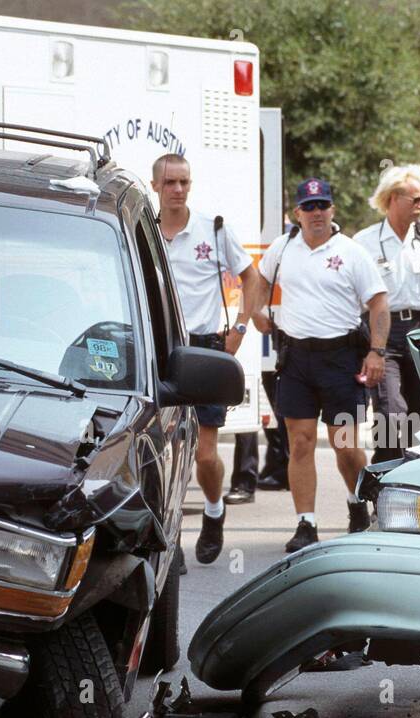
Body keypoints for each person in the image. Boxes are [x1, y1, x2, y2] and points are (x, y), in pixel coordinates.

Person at [253, 178, 389, 552]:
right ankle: (306, 524)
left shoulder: (351, 252)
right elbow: (259, 281)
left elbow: (378, 303)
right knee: (299, 442)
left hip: (340, 357)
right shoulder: (282, 249)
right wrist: (254, 312)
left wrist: (376, 351)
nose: (316, 213)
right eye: (309, 207)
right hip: (296, 357)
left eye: (322, 205)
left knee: (344, 443)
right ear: (296, 214)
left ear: (332, 210)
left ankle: (357, 502)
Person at [154, 152, 261, 565]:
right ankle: (172, 536)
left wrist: (239, 327)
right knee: (163, 451)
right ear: (156, 188)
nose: (178, 190)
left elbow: (250, 278)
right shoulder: (145, 230)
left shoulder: (213, 231)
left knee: (204, 455)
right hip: (162, 349)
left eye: (184, 182)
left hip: (205, 349)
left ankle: (214, 511)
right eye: (170, 183)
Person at [352, 165, 420, 462]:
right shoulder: (364, 242)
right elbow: (349, 295)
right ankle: (383, 481)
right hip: (382, 335)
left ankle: (417, 489)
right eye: (415, 200)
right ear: (392, 199)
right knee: (391, 415)